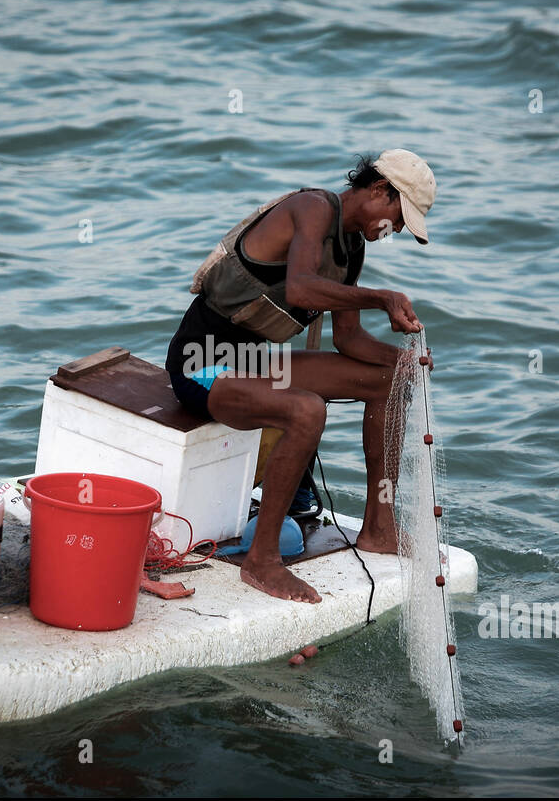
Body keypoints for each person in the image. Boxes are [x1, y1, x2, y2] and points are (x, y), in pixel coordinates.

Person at [165, 149, 436, 603]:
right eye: (400, 214)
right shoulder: (312, 208)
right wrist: (382, 298)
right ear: (376, 189)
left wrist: (401, 359)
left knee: (390, 379)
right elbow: (301, 287)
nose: (400, 229)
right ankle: (262, 561)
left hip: (252, 365)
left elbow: (348, 341)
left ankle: (378, 528)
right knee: (305, 409)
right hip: (203, 362)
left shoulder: (353, 248)